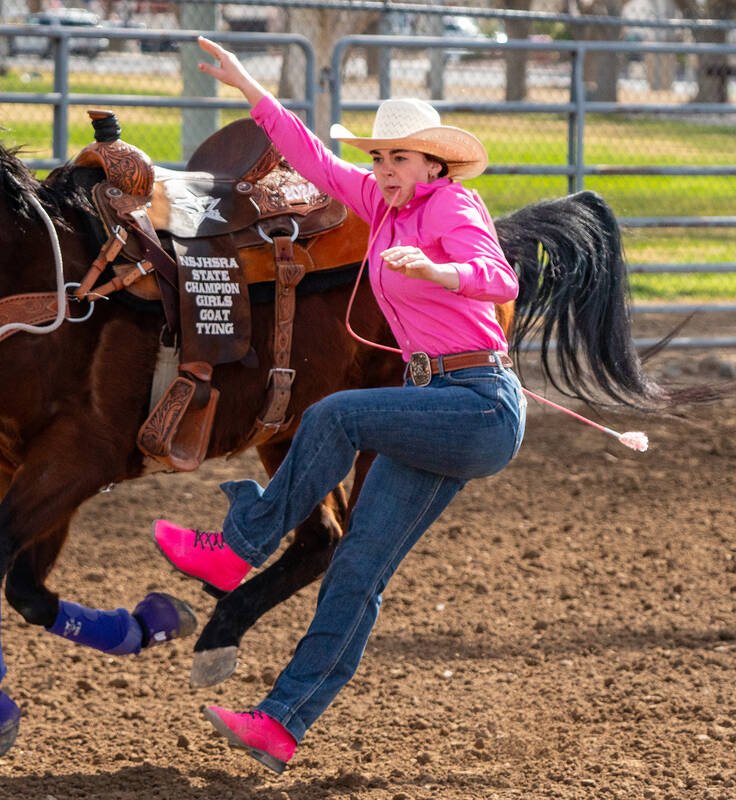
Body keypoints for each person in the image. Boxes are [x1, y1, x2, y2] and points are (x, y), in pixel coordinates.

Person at [152, 36, 527, 774]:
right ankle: (280, 723)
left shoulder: (454, 205)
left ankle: (236, 549)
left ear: (435, 165)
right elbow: (315, 160)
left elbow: (498, 278)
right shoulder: (381, 206)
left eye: (400, 158)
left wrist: (439, 270)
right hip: (434, 405)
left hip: (478, 404)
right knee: (356, 568)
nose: (384, 170)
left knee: (332, 413)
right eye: (379, 157)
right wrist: (251, 90)